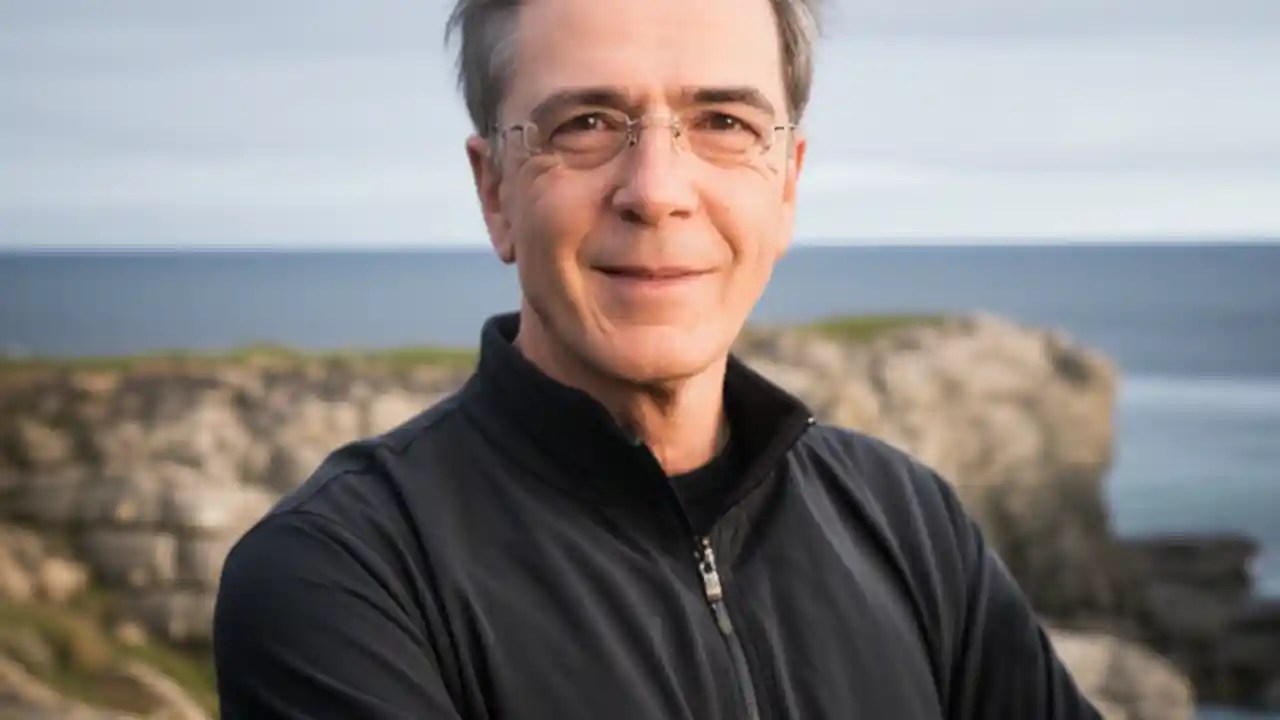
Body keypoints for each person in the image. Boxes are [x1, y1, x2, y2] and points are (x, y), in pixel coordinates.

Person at [213, 0, 1103, 717]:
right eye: (587, 123)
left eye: (722, 121)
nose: (657, 191)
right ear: (495, 194)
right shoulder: (342, 576)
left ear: (786, 184)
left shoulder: (906, 521)